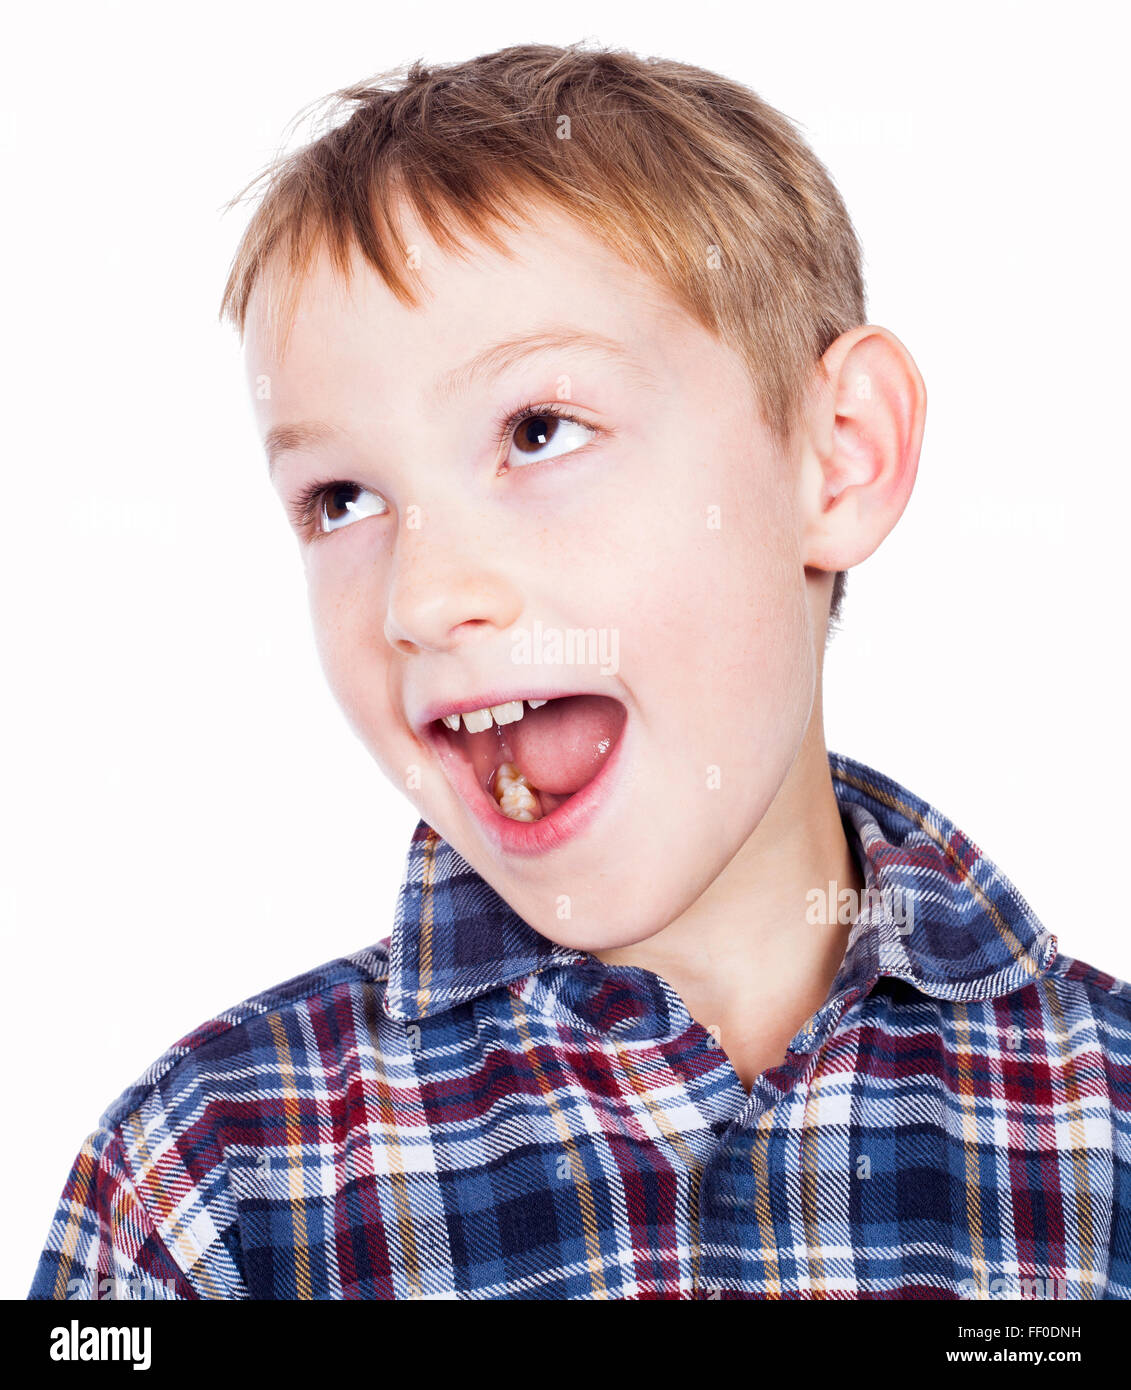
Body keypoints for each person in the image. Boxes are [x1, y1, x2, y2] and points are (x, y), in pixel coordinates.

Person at [29, 41, 1131, 1300]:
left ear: (839, 457)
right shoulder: (206, 1184)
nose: (426, 597)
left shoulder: (1110, 1121)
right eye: (342, 498)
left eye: (538, 432)